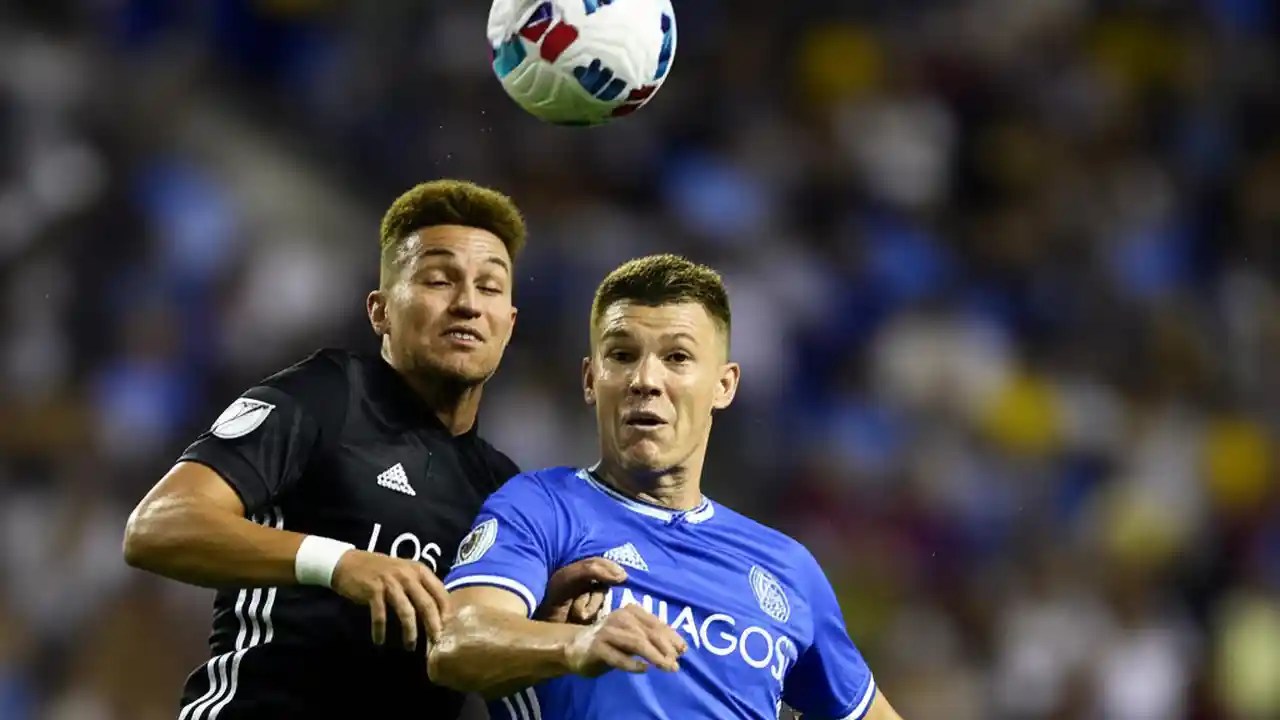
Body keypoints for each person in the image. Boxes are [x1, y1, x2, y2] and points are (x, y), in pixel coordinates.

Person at [122, 179, 620, 719]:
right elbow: (157, 528)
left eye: (490, 287)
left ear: (508, 325)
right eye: (438, 279)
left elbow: (477, 656)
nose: (468, 304)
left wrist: (541, 619)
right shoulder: (325, 396)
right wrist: (338, 562)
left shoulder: (501, 488)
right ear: (380, 311)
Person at [427, 253, 905, 720]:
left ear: (724, 385)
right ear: (592, 380)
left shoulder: (787, 569)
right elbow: (454, 644)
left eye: (676, 357)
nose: (645, 380)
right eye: (621, 355)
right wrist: (574, 644)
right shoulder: (541, 507)